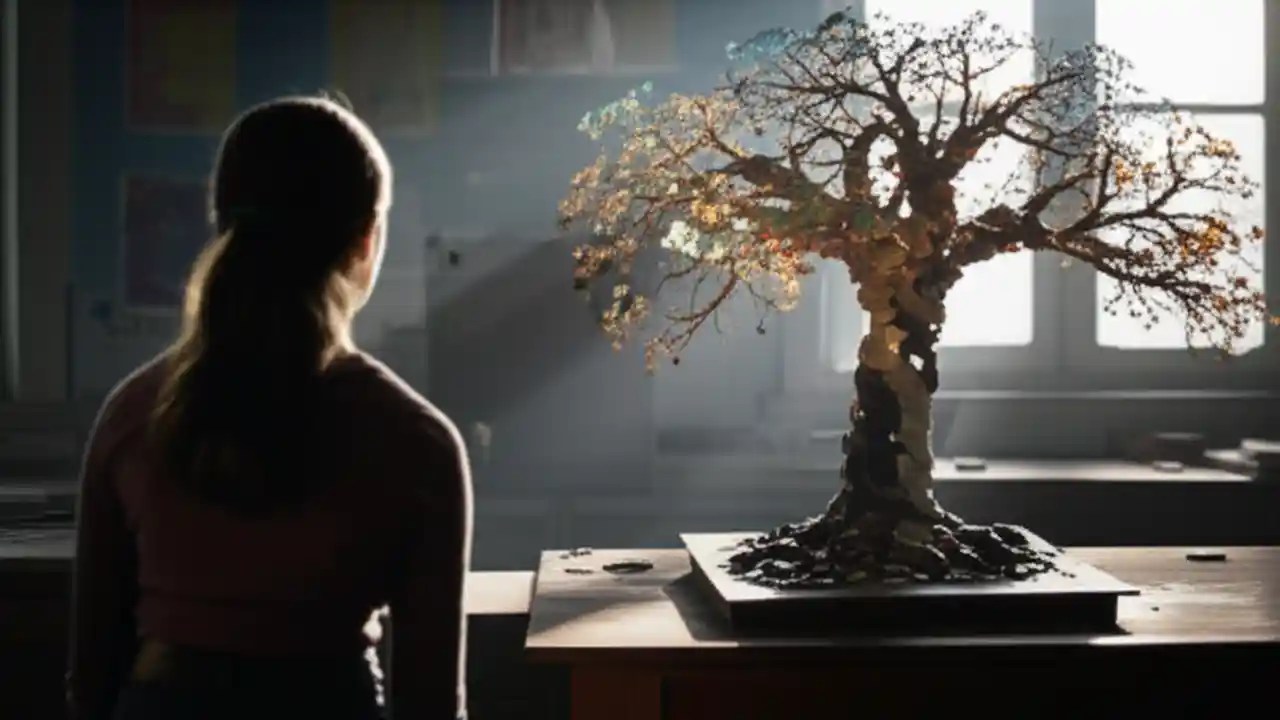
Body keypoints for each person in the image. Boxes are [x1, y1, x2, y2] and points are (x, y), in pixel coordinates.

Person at [65, 95, 473, 720]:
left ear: (223, 227)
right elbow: (431, 706)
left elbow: (92, 680)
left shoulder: (133, 415)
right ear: (366, 241)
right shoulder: (416, 442)